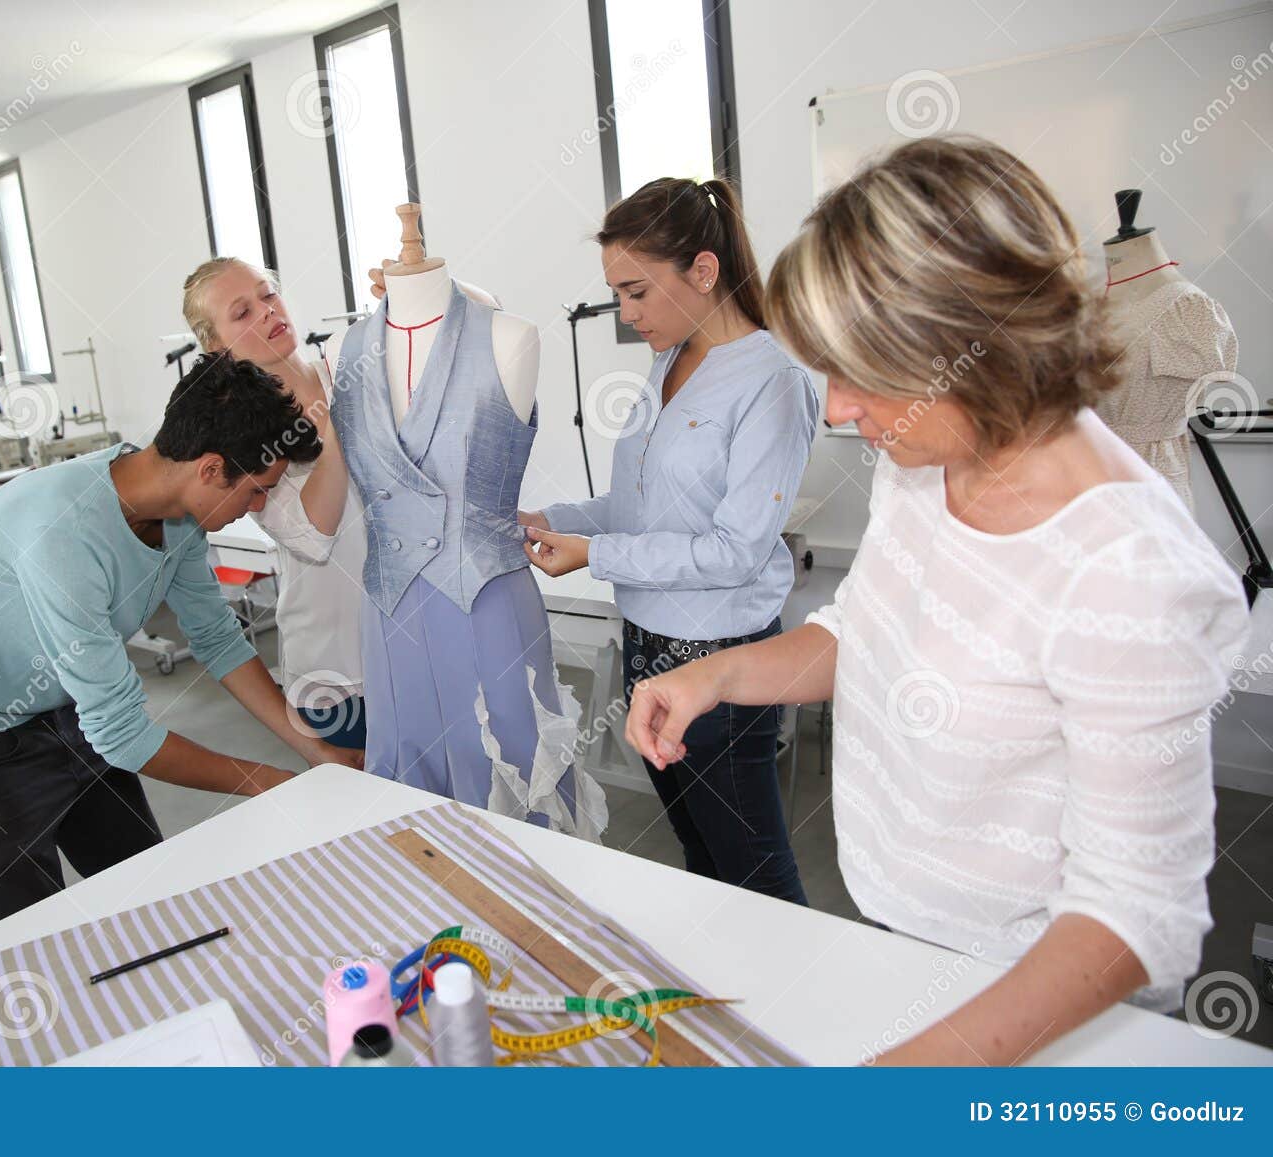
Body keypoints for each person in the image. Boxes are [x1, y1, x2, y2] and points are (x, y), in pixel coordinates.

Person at [623, 136, 1249, 1064]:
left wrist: (911, 1073)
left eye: (858, 370)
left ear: (971, 346)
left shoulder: (1132, 573)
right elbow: (866, 633)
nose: (836, 409)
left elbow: (1135, 918)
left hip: (1043, 1012)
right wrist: (719, 675)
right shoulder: (924, 465)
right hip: (902, 941)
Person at [0, 352, 363, 932]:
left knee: (141, 891)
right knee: (20, 930)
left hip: (67, 700)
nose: (257, 508)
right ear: (211, 468)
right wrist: (263, 780)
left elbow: (218, 639)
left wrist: (310, 746)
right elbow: (122, 736)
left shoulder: (180, 517)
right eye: (254, 492)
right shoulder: (62, 534)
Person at [523, 176, 819, 903]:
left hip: (722, 662)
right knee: (700, 852)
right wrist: (556, 519)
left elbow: (734, 551)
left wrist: (596, 555)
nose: (626, 314)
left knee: (754, 868)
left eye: (636, 292)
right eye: (617, 294)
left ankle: (798, 1004)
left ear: (704, 271)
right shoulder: (670, 360)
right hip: (648, 649)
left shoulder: (772, 382)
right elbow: (638, 502)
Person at [182, 257, 367, 748]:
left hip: (415, 641)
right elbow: (313, 533)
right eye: (242, 313)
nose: (267, 312)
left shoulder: (346, 365)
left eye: (268, 295)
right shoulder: (246, 435)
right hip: (338, 673)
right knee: (368, 819)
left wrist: (413, 290)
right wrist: (338, 420)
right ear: (215, 347)